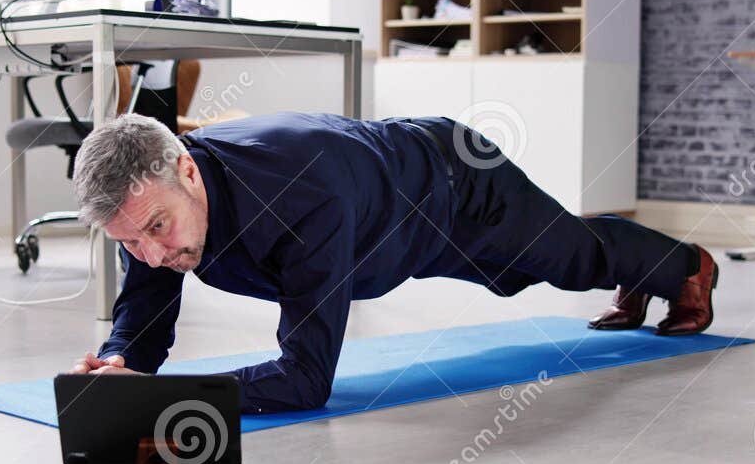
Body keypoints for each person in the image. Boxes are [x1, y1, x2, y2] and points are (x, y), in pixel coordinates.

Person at [69, 112, 718, 414]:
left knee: (567, 260)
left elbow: (305, 380)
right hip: (388, 217)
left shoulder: (301, 197)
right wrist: (122, 362)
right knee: (554, 263)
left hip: (457, 184)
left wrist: (166, 398)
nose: (151, 255)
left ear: (187, 171)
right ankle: (637, 273)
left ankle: (686, 268)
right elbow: (146, 307)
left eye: (156, 229)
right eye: (129, 242)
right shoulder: (154, 205)